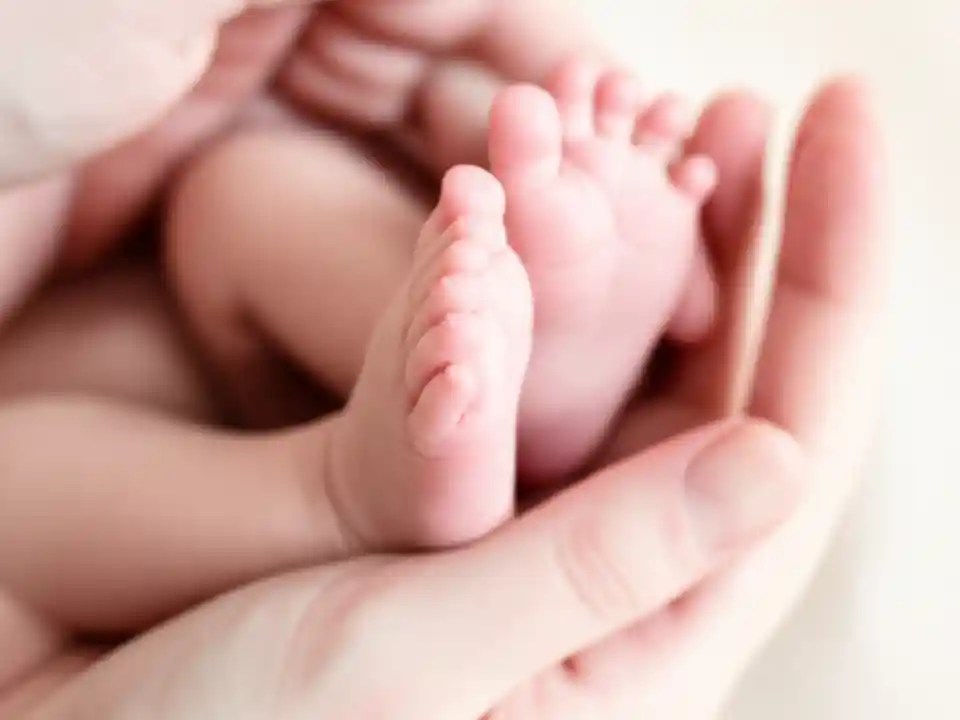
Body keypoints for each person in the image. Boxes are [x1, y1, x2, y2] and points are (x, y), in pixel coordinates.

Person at [1, 2, 883, 718]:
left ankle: (510, 355)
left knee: (242, 188)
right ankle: (361, 472)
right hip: (144, 573)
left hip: (179, 369)